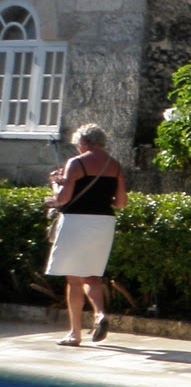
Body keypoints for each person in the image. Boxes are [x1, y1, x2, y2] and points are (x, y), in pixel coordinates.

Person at [42, 123, 127, 346]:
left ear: (84, 142)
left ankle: (75, 334)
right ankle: (100, 314)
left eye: (78, 144)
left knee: (74, 278)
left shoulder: (76, 162)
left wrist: (54, 186)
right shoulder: (115, 165)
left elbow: (62, 199)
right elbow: (121, 203)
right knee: (92, 274)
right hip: (104, 222)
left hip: (77, 221)